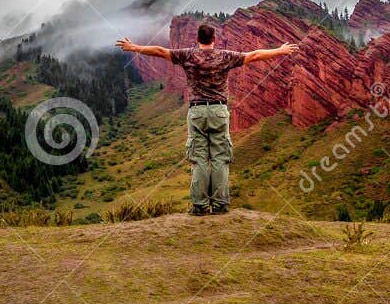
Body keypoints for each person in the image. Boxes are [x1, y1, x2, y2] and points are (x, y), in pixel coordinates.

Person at [116, 24, 299, 215]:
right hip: (219, 111)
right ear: (214, 39)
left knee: (200, 159)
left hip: (197, 112)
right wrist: (280, 51)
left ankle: (200, 206)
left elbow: (161, 51)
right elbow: (254, 55)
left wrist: (135, 47)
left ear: (198, 39)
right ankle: (220, 205)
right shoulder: (225, 56)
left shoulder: (188, 55)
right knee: (220, 158)